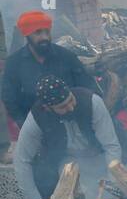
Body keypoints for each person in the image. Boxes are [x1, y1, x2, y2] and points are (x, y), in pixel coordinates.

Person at [14, 75, 126, 199]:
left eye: (71, 100)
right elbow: (22, 160)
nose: (71, 107)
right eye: (63, 106)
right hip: (70, 163)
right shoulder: (36, 119)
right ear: (47, 108)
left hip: (105, 158)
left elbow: (111, 146)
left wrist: (112, 185)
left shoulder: (92, 102)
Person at [2, 10, 99, 164]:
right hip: (36, 124)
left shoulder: (67, 56)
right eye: (38, 33)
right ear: (27, 35)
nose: (44, 37)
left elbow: (87, 88)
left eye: (47, 32)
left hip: (71, 119)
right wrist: (26, 127)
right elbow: (10, 98)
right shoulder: (15, 63)